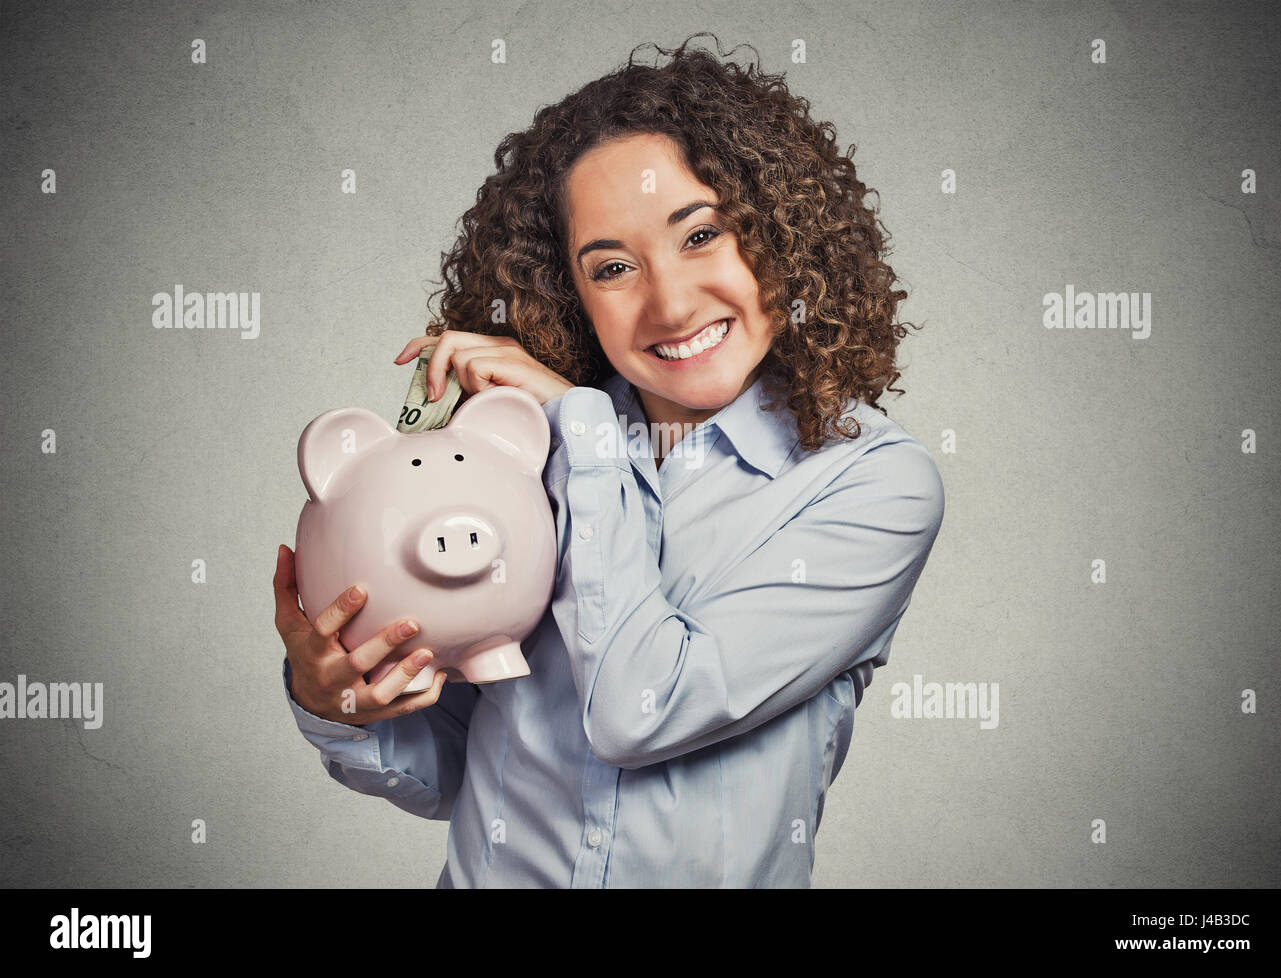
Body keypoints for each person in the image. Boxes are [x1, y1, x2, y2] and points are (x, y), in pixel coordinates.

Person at [273, 35, 944, 888]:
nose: (670, 302)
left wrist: (583, 429)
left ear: (781, 234)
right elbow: (453, 773)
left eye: (702, 235)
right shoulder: (513, 462)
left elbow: (642, 710)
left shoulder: (872, 483)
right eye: (614, 267)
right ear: (568, 295)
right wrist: (335, 697)